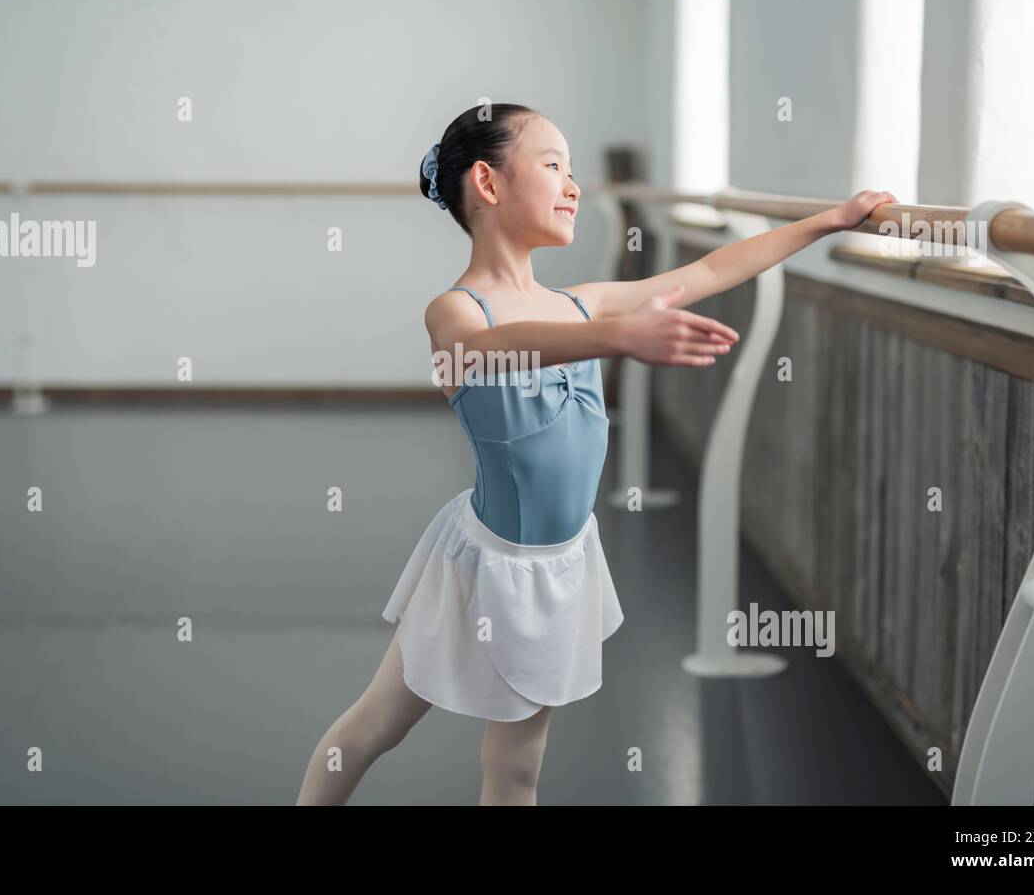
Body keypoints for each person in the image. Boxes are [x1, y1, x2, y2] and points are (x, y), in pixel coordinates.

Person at [296, 102, 895, 805]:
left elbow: (711, 271)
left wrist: (827, 223)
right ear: (488, 185)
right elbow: (486, 353)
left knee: (517, 765)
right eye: (554, 166)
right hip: (480, 564)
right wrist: (620, 339)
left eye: (573, 169)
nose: (574, 184)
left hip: (560, 565)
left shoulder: (582, 304)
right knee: (376, 725)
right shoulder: (457, 312)